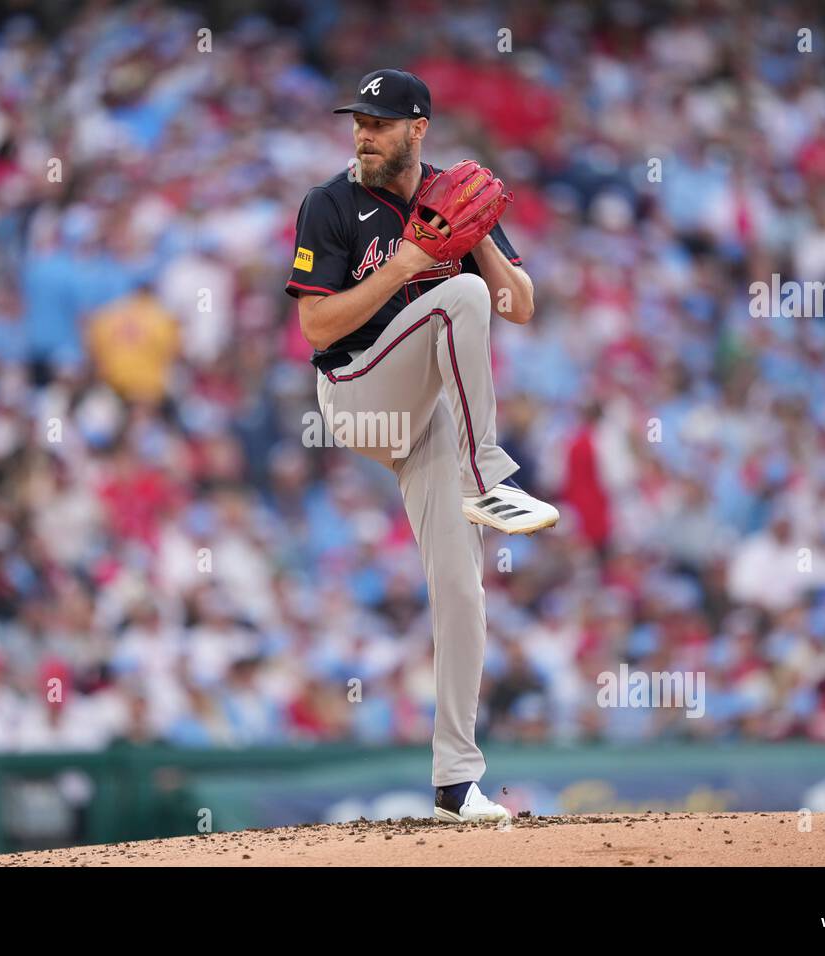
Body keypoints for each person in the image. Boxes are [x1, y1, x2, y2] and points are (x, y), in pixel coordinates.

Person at [284, 69, 560, 823]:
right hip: (356, 394)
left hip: (428, 413)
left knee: (462, 589)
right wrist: (407, 267)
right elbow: (314, 329)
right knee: (457, 299)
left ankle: (453, 784)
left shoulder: (453, 191)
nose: (362, 133)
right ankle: (491, 477)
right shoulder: (330, 203)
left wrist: (488, 248)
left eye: (377, 122)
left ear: (417, 129)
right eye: (358, 121)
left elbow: (522, 307)